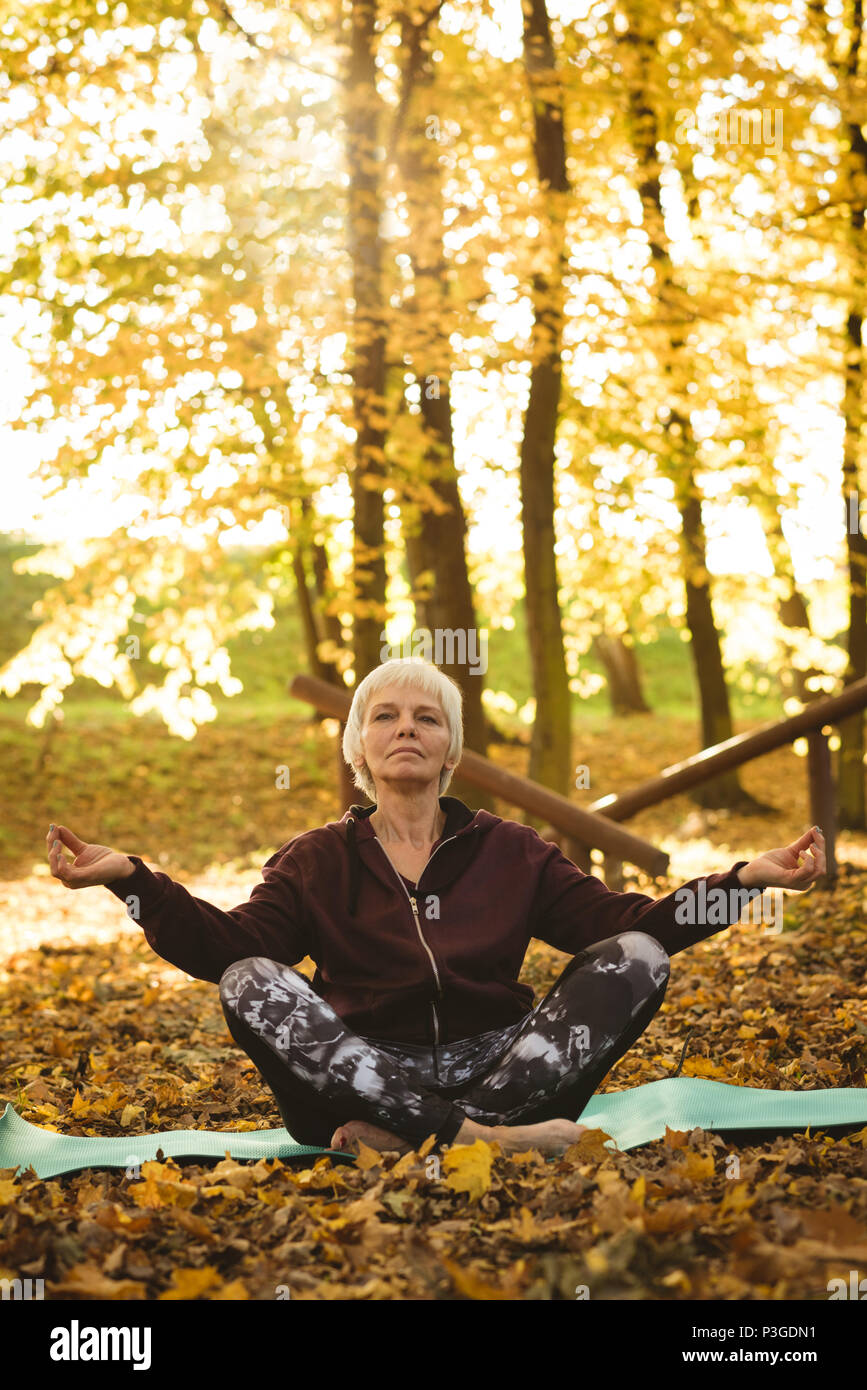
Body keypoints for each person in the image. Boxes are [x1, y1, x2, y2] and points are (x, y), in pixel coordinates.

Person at [46, 657, 826, 1159]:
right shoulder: (316, 857)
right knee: (251, 977)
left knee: (638, 960)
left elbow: (624, 927)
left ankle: (414, 1138)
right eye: (384, 716)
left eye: (426, 718)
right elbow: (231, 946)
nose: (406, 728)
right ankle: (478, 1141)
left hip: (502, 1067)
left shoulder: (512, 849)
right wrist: (132, 880)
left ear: (451, 748)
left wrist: (746, 879)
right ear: (358, 748)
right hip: (357, 1076)